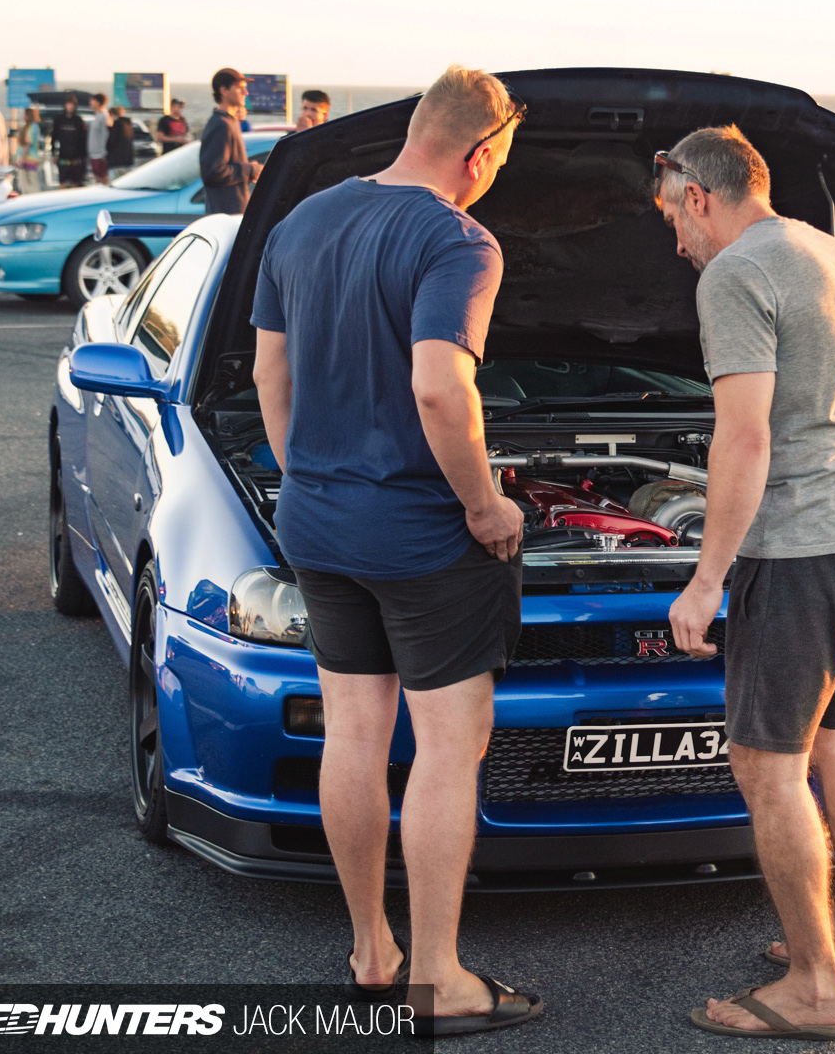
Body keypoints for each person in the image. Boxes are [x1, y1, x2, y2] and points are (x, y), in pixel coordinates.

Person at [249, 65, 542, 1039]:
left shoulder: (302, 221)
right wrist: (488, 504)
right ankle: (442, 977)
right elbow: (437, 391)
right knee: (449, 748)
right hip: (421, 531)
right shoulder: (457, 238)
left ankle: (374, 952)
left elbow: (268, 369)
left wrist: (312, 476)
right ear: (482, 150)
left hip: (319, 522)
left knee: (356, 734)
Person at [657, 125, 835, 1042]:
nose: (676, 246)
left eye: (673, 221)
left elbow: (747, 436)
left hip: (804, 543)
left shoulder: (733, 274)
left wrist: (705, 577)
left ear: (700, 196)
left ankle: (814, 988)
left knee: (766, 763)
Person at [200, 68, 258, 214]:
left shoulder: (230, 122)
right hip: (226, 215)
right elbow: (214, 172)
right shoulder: (221, 124)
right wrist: (250, 169)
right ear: (224, 90)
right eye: (240, 88)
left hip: (233, 213)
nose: (246, 92)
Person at [51, 93, 88, 187]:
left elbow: (83, 140)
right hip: (63, 157)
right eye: (69, 104)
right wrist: (54, 153)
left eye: (72, 105)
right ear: (65, 105)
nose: (70, 106)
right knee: (62, 183)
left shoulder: (78, 120)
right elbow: (54, 137)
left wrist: (83, 157)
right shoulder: (59, 120)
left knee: (75, 184)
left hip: (76, 158)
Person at [14, 106, 46, 192]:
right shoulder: (27, 127)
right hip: (26, 159)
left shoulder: (32, 127)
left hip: (28, 159)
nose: (23, 116)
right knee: (25, 185)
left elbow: (27, 144)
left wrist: (22, 160)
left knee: (30, 185)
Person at [86, 92, 111, 185]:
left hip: (100, 154)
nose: (91, 102)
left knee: (103, 179)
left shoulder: (103, 116)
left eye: (92, 100)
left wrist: (103, 152)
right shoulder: (97, 116)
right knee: (97, 179)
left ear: (98, 102)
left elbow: (105, 134)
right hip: (93, 153)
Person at [107, 106, 136, 176]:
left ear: (112, 115)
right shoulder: (128, 124)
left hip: (117, 161)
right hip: (128, 159)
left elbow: (111, 142)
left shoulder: (116, 125)